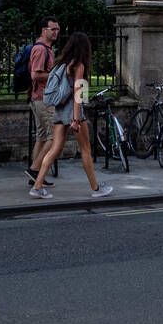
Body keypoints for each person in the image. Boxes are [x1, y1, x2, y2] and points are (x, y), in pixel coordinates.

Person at [29, 32, 112, 199]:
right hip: (73, 113)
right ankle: (96, 188)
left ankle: (37, 186)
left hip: (59, 111)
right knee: (86, 150)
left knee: (54, 149)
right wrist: (76, 118)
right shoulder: (78, 66)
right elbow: (78, 93)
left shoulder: (61, 64)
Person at [27, 16, 59, 185]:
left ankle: (36, 175)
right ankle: (34, 169)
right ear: (43, 30)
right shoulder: (41, 50)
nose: (56, 32)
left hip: (39, 98)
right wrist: (57, 75)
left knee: (41, 137)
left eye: (57, 29)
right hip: (43, 99)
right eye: (52, 29)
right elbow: (36, 74)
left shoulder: (46, 48)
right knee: (53, 137)